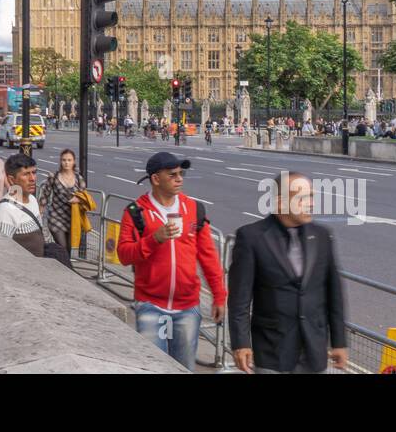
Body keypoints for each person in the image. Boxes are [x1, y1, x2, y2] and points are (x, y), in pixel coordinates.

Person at [116, 151, 227, 371]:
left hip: (187, 306)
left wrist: (219, 295)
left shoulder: (194, 209)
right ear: (156, 179)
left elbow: (208, 256)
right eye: (173, 175)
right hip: (151, 305)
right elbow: (124, 255)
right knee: (154, 367)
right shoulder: (136, 211)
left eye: (181, 173)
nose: (179, 179)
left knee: (183, 368)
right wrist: (154, 239)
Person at [229, 171, 347, 374]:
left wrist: (339, 341)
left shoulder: (321, 236)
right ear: (281, 202)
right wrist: (241, 343)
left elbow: (334, 291)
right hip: (271, 351)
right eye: (302, 198)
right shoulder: (251, 237)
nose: (310, 203)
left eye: (311, 196)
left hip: (314, 351)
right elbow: (239, 299)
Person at [0, 153, 45, 257]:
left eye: (34, 172)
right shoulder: (4, 212)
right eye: (26, 174)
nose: (32, 178)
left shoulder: (32, 199)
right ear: (11, 179)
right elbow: (0, 254)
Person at [39, 149, 86, 252]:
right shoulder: (54, 177)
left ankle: (63, 267)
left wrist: (78, 199)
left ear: (74, 161)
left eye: (69, 160)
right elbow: (45, 196)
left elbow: (85, 197)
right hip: (56, 218)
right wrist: (39, 213)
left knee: (69, 250)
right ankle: (65, 266)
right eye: (64, 160)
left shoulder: (79, 179)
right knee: (62, 248)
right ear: (60, 161)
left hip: (72, 218)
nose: (66, 162)